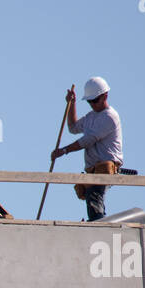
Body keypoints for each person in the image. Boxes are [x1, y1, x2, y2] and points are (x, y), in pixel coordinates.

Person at [50, 77, 122, 221]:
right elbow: (73, 127)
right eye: (90, 102)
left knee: (94, 196)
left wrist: (64, 151)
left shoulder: (110, 117)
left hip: (106, 167)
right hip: (93, 169)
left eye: (95, 101)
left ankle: (98, 226)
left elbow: (87, 141)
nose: (92, 105)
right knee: (91, 197)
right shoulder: (91, 117)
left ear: (105, 96)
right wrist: (71, 104)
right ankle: (98, 223)